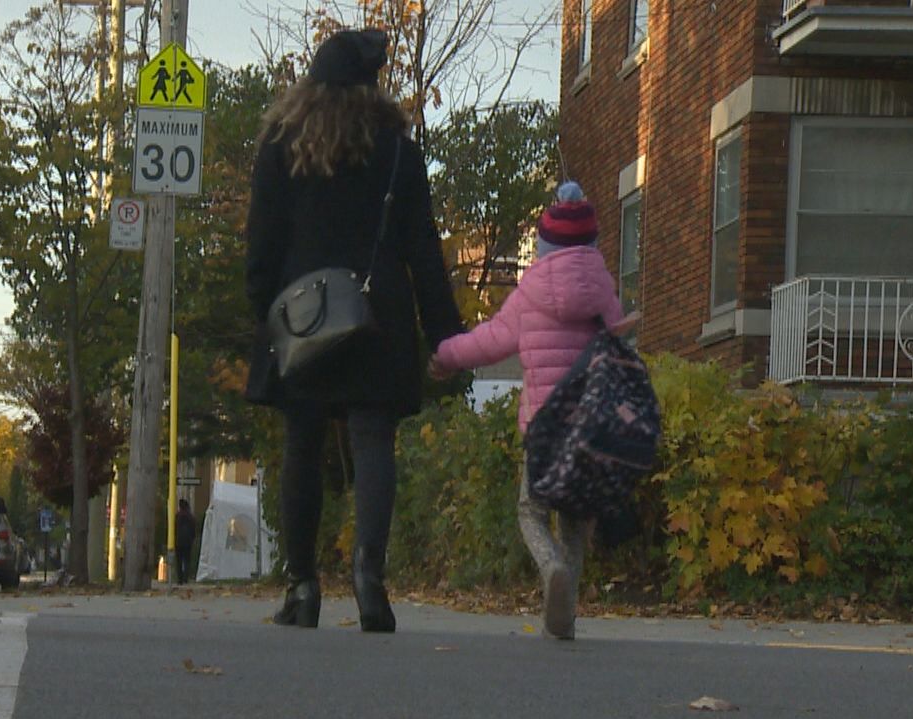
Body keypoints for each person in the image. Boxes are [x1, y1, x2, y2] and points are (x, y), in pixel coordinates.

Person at [244, 28, 464, 633]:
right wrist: (445, 334)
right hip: (378, 316)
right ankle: (369, 580)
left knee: (303, 445)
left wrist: (265, 313)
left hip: (302, 316)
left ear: (312, 83)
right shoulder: (398, 152)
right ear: (374, 86)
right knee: (372, 443)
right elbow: (423, 249)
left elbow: (261, 245)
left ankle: (302, 587)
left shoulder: (282, 145)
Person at [430, 181, 636, 641]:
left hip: (544, 427)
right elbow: (620, 347)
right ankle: (565, 614)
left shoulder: (531, 291)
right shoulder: (603, 288)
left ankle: (551, 568)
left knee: (531, 511)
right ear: (592, 241)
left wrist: (444, 356)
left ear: (543, 244)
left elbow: (489, 341)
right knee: (575, 518)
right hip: (589, 428)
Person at [173, 498, 198, 584]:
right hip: (188, 542)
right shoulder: (191, 517)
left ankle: (180, 579)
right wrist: (192, 538)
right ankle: (185, 578)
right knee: (187, 560)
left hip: (178, 541)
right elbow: (194, 530)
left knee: (179, 561)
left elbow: (174, 529)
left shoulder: (177, 516)